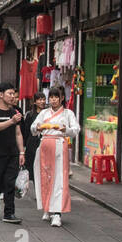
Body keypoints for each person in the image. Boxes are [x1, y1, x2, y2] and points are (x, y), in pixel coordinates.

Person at [32, 86, 80, 227]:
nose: (53, 100)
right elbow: (33, 128)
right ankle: (47, 208)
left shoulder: (68, 113)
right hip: (45, 145)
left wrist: (66, 130)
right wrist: (38, 128)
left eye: (56, 97)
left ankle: (57, 212)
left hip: (59, 145)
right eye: (51, 97)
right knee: (45, 177)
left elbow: (76, 130)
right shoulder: (44, 113)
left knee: (59, 179)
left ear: (62, 98)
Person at [0, 83, 24, 224]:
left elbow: (18, 133)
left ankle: (9, 212)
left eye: (14, 94)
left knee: (10, 183)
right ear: (1, 94)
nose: (13, 96)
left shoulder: (15, 112)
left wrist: (22, 152)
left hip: (13, 153)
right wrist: (11, 121)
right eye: (10, 93)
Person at [24, 91, 47, 177]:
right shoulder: (30, 115)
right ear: (35, 102)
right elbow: (26, 131)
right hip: (32, 143)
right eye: (40, 100)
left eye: (44, 99)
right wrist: (24, 146)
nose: (42, 102)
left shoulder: (48, 114)